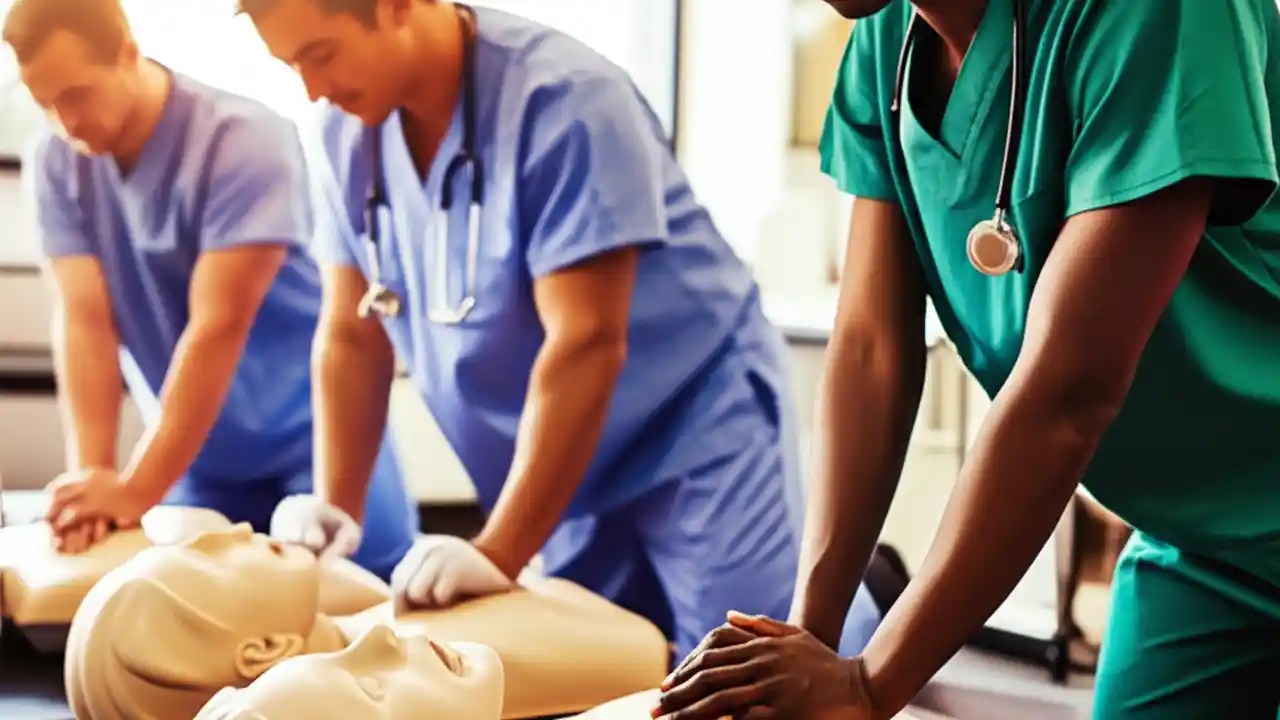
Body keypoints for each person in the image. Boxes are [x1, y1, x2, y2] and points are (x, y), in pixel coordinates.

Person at [656, 0, 1280, 718]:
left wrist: (868, 685)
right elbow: (871, 352)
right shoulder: (887, 44)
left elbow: (1068, 392)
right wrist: (806, 639)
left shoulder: (1160, 13)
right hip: (1199, 544)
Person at [237, 0, 884, 661]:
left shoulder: (567, 100)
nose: (312, 90)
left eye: (319, 55)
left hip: (692, 427)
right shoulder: (349, 135)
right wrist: (337, 508)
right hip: (564, 463)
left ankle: (867, 608)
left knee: (758, 664)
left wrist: (500, 550)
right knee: (599, 670)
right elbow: (352, 334)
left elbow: (587, 344)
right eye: (291, 65)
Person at [4, 0, 415, 580]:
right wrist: (93, 485)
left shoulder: (243, 139)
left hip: (317, 440)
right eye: (45, 104)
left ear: (126, 50)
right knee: (187, 629)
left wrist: (136, 489)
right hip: (198, 458)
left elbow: (217, 326)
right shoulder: (56, 161)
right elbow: (86, 321)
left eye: (76, 94)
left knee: (374, 604)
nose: (66, 122)